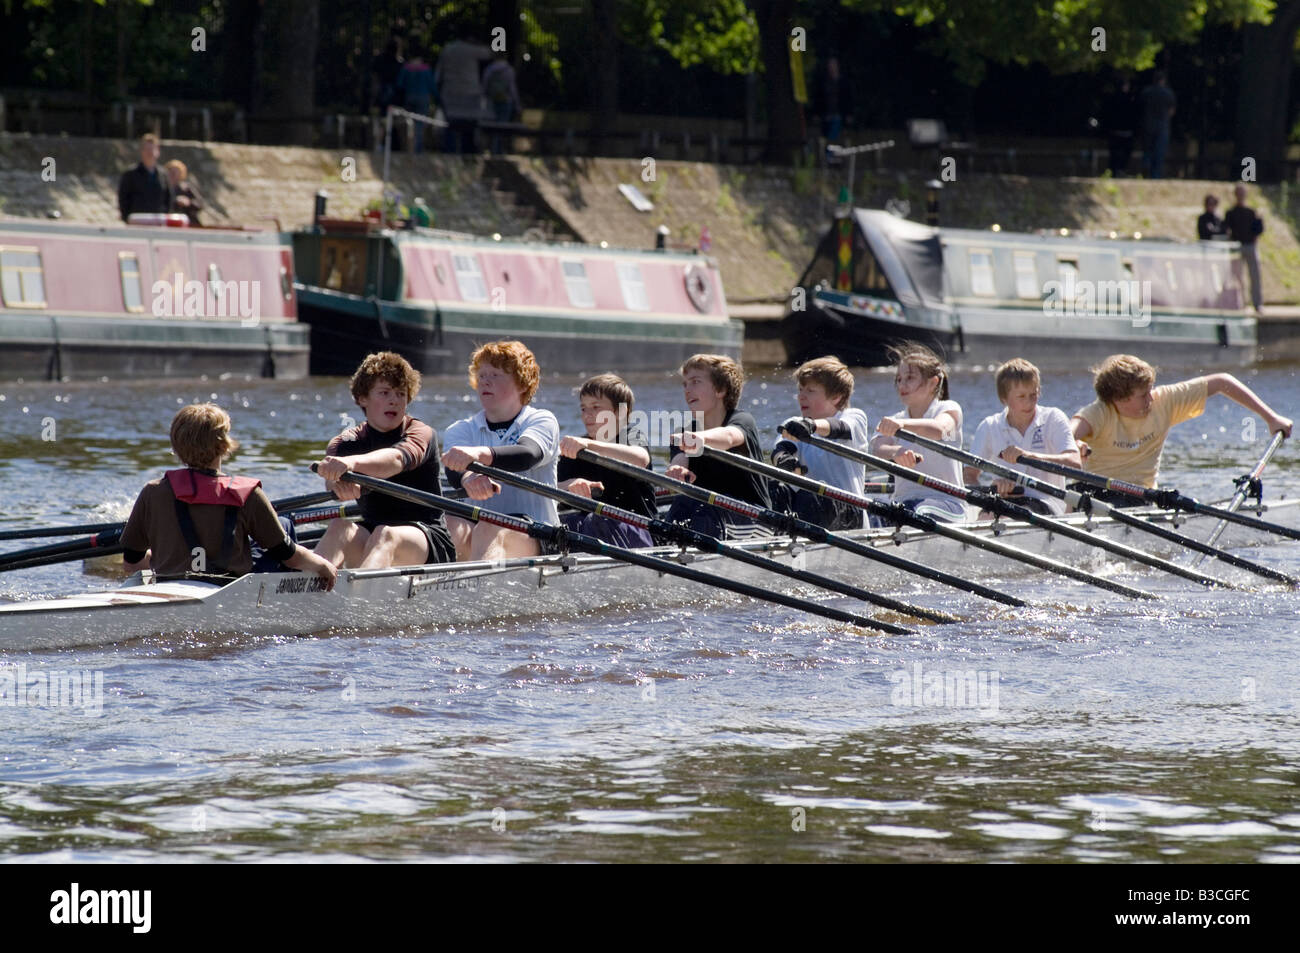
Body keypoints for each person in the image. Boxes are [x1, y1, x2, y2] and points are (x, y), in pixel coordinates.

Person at [121, 403, 336, 588]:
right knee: (284, 524)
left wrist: (168, 561)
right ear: (224, 445)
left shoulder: (153, 491)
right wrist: (323, 565)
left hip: (170, 586)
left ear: (176, 447)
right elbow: (290, 556)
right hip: (232, 593)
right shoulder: (248, 494)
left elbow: (131, 562)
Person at [1070, 354, 1292, 496]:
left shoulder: (1164, 400)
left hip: (1142, 497)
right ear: (1119, 399)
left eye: (1150, 390)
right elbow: (1069, 431)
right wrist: (1073, 444)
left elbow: (1223, 382)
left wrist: (1271, 418)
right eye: (1143, 395)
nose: (1151, 399)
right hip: (1097, 493)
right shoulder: (1099, 413)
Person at [313, 352, 457, 569]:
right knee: (338, 528)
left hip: (427, 537)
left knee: (385, 535)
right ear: (363, 398)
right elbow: (332, 482)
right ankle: (300, 597)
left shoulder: (420, 433)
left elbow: (395, 460)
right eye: (385, 392)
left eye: (401, 393)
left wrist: (351, 465)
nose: (394, 400)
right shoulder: (345, 443)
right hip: (373, 531)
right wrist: (338, 484)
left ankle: (360, 601)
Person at [441, 340, 560, 560]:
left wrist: (479, 455)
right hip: (481, 529)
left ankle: (478, 590)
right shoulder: (460, 430)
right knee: (445, 524)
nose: (485, 381)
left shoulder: (541, 420)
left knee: (489, 527)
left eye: (495, 375)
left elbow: (527, 454)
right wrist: (468, 478)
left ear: (522, 384)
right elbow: (453, 468)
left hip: (540, 534)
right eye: (482, 375)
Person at [663, 353, 772, 539]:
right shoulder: (685, 433)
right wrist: (677, 470)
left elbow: (729, 437)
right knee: (682, 503)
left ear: (720, 390)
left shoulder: (742, 421)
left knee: (704, 509)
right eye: (685, 384)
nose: (687, 390)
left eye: (695, 382)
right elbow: (681, 459)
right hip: (711, 516)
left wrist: (697, 439)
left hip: (753, 520)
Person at [964, 359, 1080, 517]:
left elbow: (1075, 463)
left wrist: (1029, 456)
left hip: (1046, 502)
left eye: (1034, 394)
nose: (1029, 402)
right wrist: (992, 488)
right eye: (1021, 397)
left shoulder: (1053, 418)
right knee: (985, 517)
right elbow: (969, 476)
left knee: (1012, 516)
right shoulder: (989, 426)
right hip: (1003, 500)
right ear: (1004, 398)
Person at [869, 344, 968, 522]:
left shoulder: (948, 409)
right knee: (871, 513)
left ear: (933, 383)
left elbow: (938, 430)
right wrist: (896, 452)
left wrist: (901, 425)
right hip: (903, 502)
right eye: (899, 379)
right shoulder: (894, 419)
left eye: (910, 378)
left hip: (948, 503)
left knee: (917, 510)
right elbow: (877, 448)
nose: (902, 385)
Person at [557, 374, 657, 547]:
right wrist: (568, 485)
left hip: (637, 530)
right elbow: (549, 485)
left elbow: (640, 459)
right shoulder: (575, 448)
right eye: (583, 409)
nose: (587, 415)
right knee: (563, 523)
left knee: (599, 519)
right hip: (590, 529)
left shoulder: (631, 436)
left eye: (595, 407)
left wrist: (591, 445)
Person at [771, 356, 870, 529]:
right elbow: (781, 450)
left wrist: (812, 426)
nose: (801, 396)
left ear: (836, 397)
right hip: (812, 510)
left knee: (811, 496)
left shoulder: (854, 417)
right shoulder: (794, 423)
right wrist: (785, 462)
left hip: (850, 513)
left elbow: (839, 428)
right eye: (800, 389)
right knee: (775, 488)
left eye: (810, 391)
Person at [434, 26, 492, 154]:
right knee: (469, 124)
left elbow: (438, 75)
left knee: (450, 124)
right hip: (470, 93)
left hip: (449, 93)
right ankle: (468, 152)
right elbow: (489, 53)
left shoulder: (447, 49)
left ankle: (449, 151)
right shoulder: (472, 49)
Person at [1224, 184, 1265, 313]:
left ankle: (1257, 303)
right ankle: (1240, 303)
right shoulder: (1231, 212)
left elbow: (1259, 228)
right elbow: (1226, 228)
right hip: (1237, 247)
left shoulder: (1251, 212)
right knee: (1237, 276)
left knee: (1255, 276)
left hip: (1250, 245)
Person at [118, 133, 171, 222]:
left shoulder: (163, 175)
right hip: (137, 222)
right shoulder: (130, 174)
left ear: (158, 151)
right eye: (147, 149)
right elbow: (123, 199)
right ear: (141, 151)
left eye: (152, 149)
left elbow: (168, 199)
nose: (150, 152)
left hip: (158, 222)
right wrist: (127, 218)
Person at [396, 45, 438, 153]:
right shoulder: (426, 69)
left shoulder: (406, 68)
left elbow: (399, 85)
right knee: (419, 125)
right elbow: (432, 87)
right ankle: (417, 149)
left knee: (408, 124)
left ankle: (409, 148)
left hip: (409, 98)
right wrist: (438, 99)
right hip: (423, 100)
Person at [481, 53, 521, 155]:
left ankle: (492, 150)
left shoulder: (489, 69)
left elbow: (484, 85)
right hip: (505, 101)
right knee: (502, 126)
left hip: (492, 100)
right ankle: (498, 151)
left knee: (492, 126)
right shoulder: (508, 70)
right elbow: (512, 89)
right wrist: (517, 105)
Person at [1139, 70, 1176, 179]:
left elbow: (1140, 108)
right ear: (1163, 80)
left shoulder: (1146, 92)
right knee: (1159, 151)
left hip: (1147, 125)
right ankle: (1155, 175)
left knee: (1147, 149)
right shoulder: (1168, 93)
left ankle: (1146, 164)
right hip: (1162, 126)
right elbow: (1171, 111)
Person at [1101, 74, 1136, 177]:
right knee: (1125, 153)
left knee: (1114, 153)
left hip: (1114, 130)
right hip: (1126, 131)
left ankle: (1113, 171)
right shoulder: (1130, 99)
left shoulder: (1111, 98)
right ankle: (1120, 170)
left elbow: (1106, 114)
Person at [164, 159, 204, 226]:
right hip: (167, 221)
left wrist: (188, 202)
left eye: (176, 173)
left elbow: (199, 203)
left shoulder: (186, 189)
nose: (173, 175)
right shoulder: (163, 188)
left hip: (187, 222)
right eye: (171, 172)